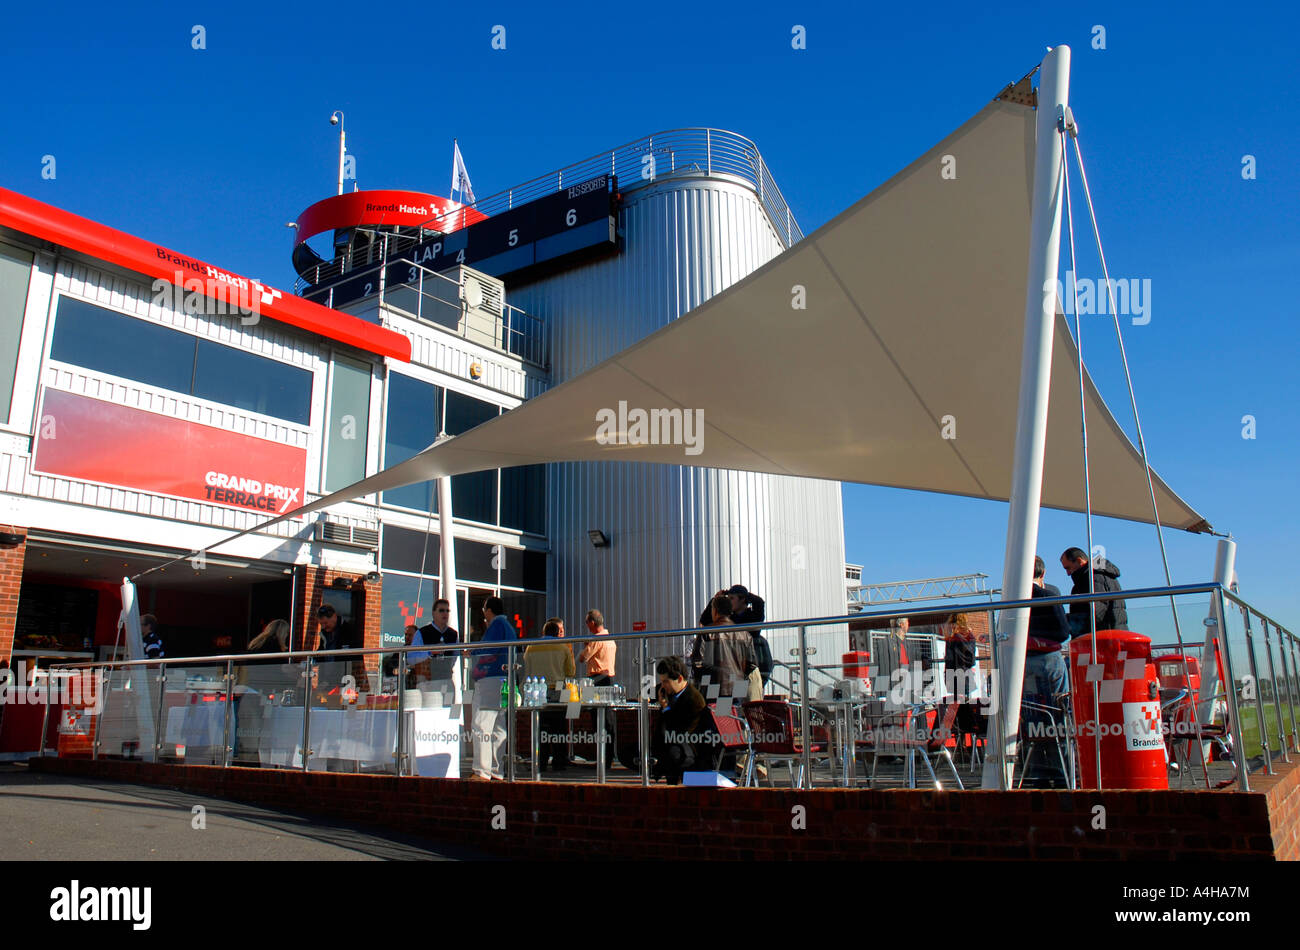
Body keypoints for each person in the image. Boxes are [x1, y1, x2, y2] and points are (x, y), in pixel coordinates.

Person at [1022, 556, 1072, 787]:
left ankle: (1037, 773)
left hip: (1025, 662)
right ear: (1042, 574)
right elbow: (1063, 633)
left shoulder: (1013, 600)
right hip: (1050, 660)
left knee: (1032, 719)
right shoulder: (1050, 596)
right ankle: (1063, 773)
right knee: (1059, 715)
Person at [470, 596, 515, 780]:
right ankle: (497, 771)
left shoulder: (496, 626)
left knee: (482, 724)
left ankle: (482, 771)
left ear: (489, 610)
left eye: (484, 610)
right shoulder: (509, 627)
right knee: (499, 727)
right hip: (506, 679)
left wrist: (472, 651)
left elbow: (488, 649)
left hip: (490, 678)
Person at [525, 618, 576, 771]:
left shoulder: (531, 647)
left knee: (540, 727)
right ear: (557, 633)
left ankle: (540, 761)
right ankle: (559, 761)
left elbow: (527, 667)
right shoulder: (563, 647)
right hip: (557, 689)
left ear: (543, 632)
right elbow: (570, 672)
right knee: (559, 728)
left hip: (536, 690)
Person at [700, 585, 772, 690]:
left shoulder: (753, 617)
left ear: (742, 599)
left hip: (745, 667)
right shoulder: (729, 617)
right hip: (729, 666)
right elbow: (705, 620)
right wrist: (715, 600)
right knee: (726, 699)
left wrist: (746, 595)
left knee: (741, 697)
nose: (729, 602)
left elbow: (759, 603)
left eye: (732, 598)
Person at [689, 594, 758, 699]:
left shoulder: (707, 632)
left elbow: (697, 661)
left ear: (715, 610)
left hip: (714, 686)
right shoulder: (744, 634)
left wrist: (705, 678)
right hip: (738, 685)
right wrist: (740, 675)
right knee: (733, 714)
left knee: (717, 714)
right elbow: (752, 663)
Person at [651, 655, 706, 784]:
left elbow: (680, 732)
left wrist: (665, 709)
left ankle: (670, 778)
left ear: (680, 678)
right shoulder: (668, 692)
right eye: (662, 681)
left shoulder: (694, 700)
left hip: (687, 746)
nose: (663, 686)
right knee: (629, 753)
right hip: (668, 742)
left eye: (666, 682)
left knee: (671, 755)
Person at [1060, 547, 1128, 634]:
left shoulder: (1091, 577)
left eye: (1068, 568)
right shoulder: (1104, 574)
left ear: (1079, 561)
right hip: (1114, 633)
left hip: (1101, 638)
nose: (1068, 573)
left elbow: (1096, 614)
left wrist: (1066, 621)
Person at [419, 598, 459, 690]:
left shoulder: (453, 634)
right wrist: (430, 653)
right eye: (441, 610)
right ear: (433, 613)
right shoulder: (422, 632)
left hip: (446, 679)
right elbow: (412, 657)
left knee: (448, 703)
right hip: (428, 681)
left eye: (447, 611)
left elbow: (455, 656)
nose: (445, 613)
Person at [577, 609, 616, 686]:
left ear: (592, 623)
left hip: (598, 679)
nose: (586, 625)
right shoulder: (610, 639)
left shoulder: (596, 639)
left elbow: (583, 658)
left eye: (586, 622)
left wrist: (587, 647)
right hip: (609, 677)